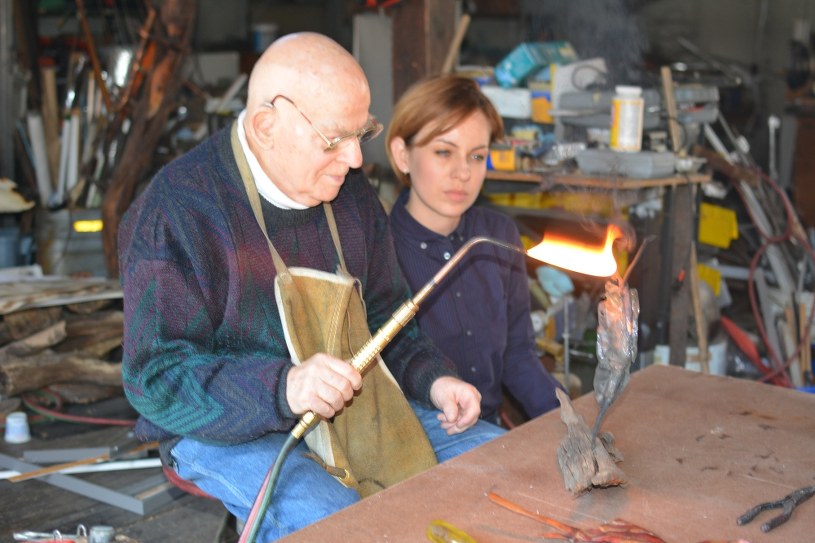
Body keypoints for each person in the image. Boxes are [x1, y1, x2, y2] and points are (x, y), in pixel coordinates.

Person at [118, 33, 504, 542]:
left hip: (357, 408)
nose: (355, 161)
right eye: (333, 140)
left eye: (361, 135)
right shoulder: (180, 208)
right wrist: (284, 387)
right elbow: (154, 376)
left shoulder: (349, 192)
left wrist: (435, 381)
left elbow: (389, 317)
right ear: (265, 126)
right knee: (344, 529)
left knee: (500, 469)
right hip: (222, 427)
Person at [386, 75, 563, 426]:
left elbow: (518, 355)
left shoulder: (498, 236)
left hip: (488, 434)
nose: (463, 172)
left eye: (477, 156)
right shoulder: (380, 251)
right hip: (414, 444)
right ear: (402, 155)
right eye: (443, 152)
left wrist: (569, 420)